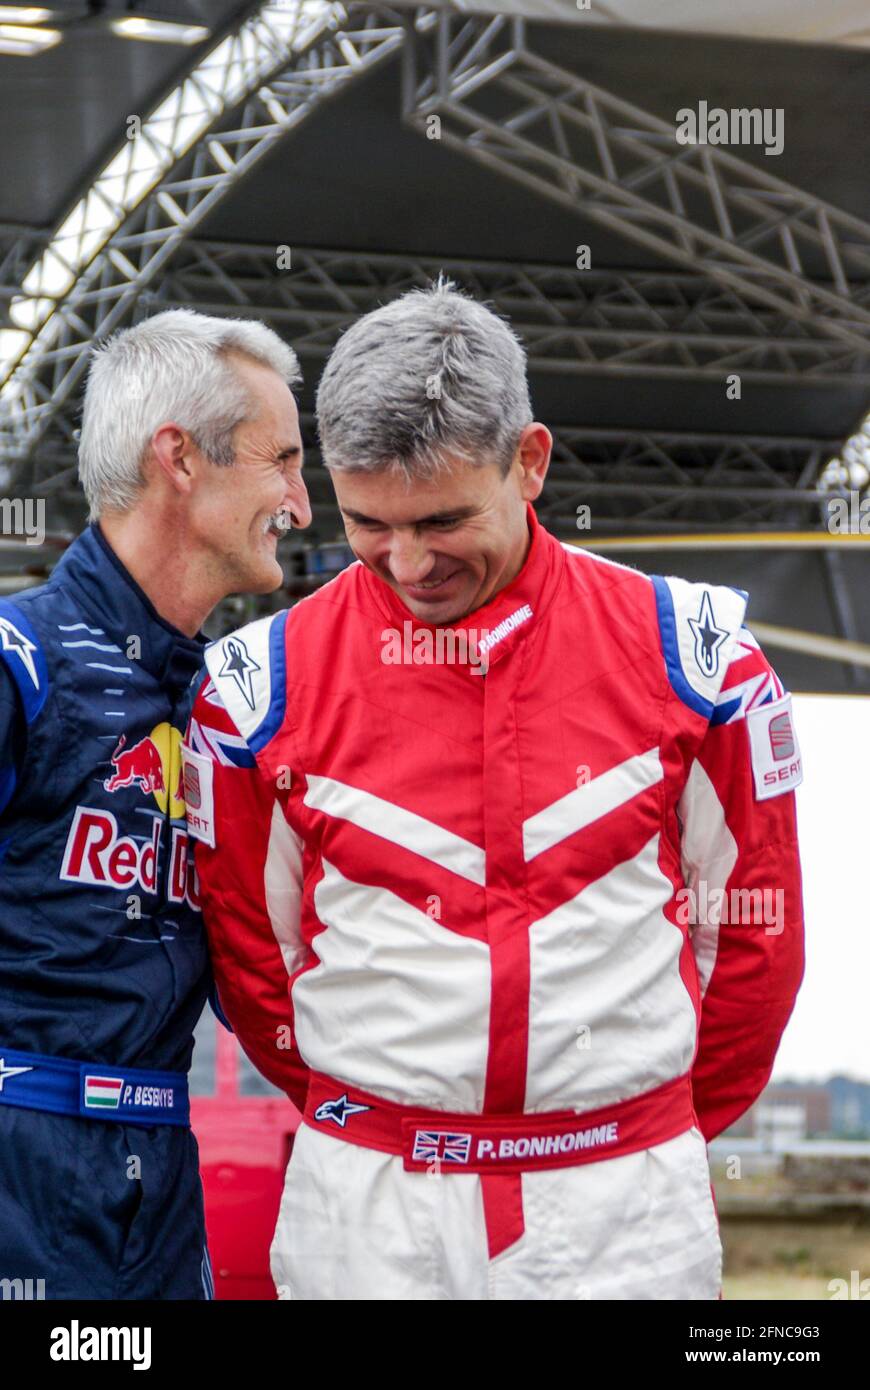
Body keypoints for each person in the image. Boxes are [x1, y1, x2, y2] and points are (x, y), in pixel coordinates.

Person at [186, 279, 805, 1301]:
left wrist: (631, 1137)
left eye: (441, 518)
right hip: (367, 1212)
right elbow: (257, 961)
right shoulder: (257, 690)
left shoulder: (700, 662)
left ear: (531, 461)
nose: (409, 562)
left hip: (623, 1210)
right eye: (368, 523)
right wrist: (380, 1119)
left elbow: (754, 945)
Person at [0, 308, 310, 1299]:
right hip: (24, 1173)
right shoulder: (22, 663)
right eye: (283, 461)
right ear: (179, 457)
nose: (303, 504)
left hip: (162, 1184)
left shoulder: (235, 706)